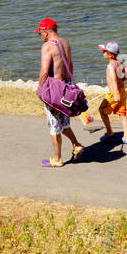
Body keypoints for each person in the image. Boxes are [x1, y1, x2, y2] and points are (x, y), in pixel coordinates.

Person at [36, 17, 84, 166]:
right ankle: (76, 145)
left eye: (40, 34)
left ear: (45, 32)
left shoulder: (47, 47)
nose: (41, 37)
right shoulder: (65, 43)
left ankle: (57, 159)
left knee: (53, 126)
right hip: (66, 86)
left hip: (54, 89)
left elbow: (44, 71)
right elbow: (70, 65)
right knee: (62, 122)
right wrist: (69, 86)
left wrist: (40, 88)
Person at [98, 41, 127, 145]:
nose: (102, 53)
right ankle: (126, 136)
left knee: (102, 110)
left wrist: (116, 93)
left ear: (110, 54)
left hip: (114, 93)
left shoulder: (110, 66)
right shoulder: (120, 63)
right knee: (122, 113)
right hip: (122, 91)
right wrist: (123, 80)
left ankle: (109, 132)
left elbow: (113, 79)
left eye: (104, 51)